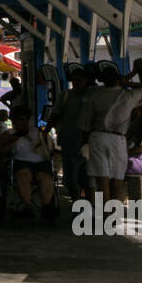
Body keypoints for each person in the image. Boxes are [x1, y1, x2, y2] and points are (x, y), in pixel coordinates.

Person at [80, 68, 142, 205]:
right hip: (118, 138)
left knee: (102, 181)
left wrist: (84, 142)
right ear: (118, 79)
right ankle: (114, 214)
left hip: (97, 137)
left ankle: (106, 215)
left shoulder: (95, 96)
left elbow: (85, 124)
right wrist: (128, 83)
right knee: (117, 180)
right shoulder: (129, 95)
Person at [0, 107, 58, 221]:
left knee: (45, 177)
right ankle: (27, 206)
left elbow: (51, 148)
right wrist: (11, 141)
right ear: (13, 121)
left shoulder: (39, 133)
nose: (23, 122)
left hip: (40, 162)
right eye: (20, 120)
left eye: (25, 120)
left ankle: (47, 206)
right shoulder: (8, 134)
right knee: (24, 175)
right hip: (20, 162)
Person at [49, 68, 95, 202]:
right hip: (69, 143)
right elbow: (55, 115)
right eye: (74, 81)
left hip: (88, 145)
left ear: (87, 81)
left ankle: (90, 207)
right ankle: (77, 206)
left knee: (89, 180)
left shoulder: (93, 94)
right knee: (72, 180)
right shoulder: (65, 95)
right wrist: (45, 131)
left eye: (79, 80)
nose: (76, 83)